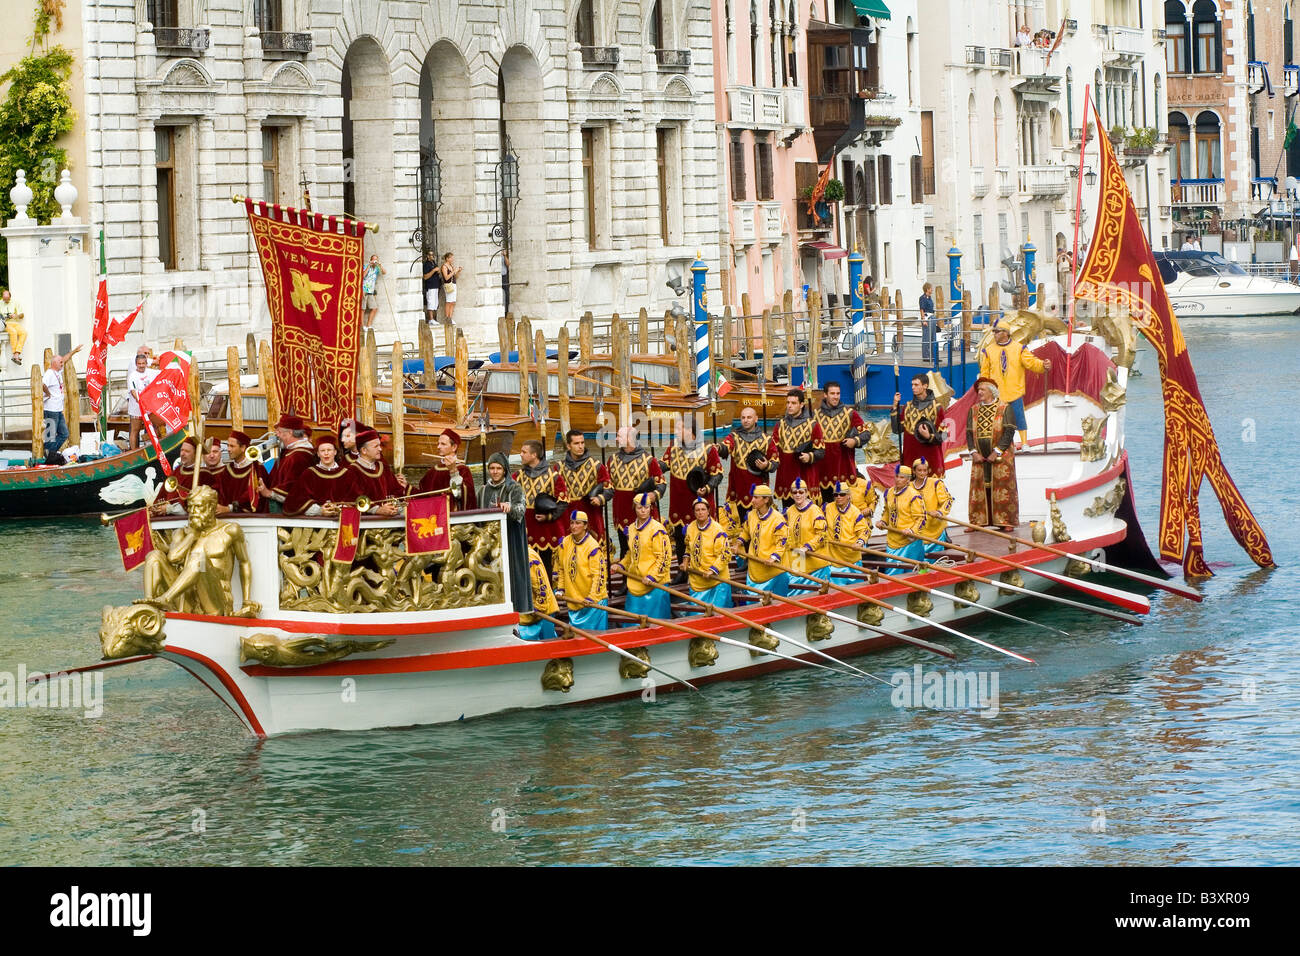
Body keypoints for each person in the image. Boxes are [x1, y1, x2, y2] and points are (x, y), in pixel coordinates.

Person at [661, 415, 723, 565]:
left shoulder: (708, 450)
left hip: (698, 501)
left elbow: (718, 474)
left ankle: (703, 565)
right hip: (678, 501)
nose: (675, 431)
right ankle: (683, 570)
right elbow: (664, 465)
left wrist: (707, 488)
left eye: (678, 428)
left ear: (689, 431)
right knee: (679, 535)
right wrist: (649, 465)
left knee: (701, 536)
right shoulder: (674, 446)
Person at [978, 319, 1050, 443]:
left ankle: (1024, 443)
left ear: (1005, 333)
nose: (994, 334)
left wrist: (1043, 365)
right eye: (994, 332)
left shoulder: (1019, 348)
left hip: (1015, 391)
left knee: (1020, 418)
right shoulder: (988, 351)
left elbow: (1031, 362)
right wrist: (984, 389)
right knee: (998, 422)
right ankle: (1000, 444)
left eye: (997, 332)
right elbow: (985, 374)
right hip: (997, 394)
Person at [481, 451, 531, 614]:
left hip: (510, 541)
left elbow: (521, 510)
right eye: (492, 468)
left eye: (498, 468)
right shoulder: (482, 491)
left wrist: (510, 508)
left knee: (512, 576)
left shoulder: (514, 488)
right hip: (489, 543)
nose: (495, 471)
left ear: (505, 470)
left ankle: (517, 610)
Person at [967, 377, 1019, 531]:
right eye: (979, 390)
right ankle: (977, 521)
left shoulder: (1005, 408)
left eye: (982, 389)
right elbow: (969, 433)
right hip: (979, 455)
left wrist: (996, 451)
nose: (979, 392)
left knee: (1002, 487)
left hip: (1001, 455)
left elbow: (1009, 431)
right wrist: (973, 451)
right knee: (978, 487)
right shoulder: (973, 410)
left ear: (992, 391)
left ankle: (1005, 521)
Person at [611, 493, 672, 623]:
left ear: (650, 508)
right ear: (634, 509)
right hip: (636, 580)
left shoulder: (657, 529)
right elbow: (631, 554)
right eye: (639, 508)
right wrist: (621, 565)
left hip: (654, 583)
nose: (643, 510)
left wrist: (652, 576)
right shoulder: (631, 529)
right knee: (632, 621)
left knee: (657, 623)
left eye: (646, 507)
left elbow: (664, 558)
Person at [608, 425, 665, 557]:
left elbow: (661, 484)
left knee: (645, 551)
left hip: (642, 513)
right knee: (625, 550)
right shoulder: (612, 460)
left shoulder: (649, 460)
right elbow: (606, 484)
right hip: (621, 513)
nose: (616, 439)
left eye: (619, 436)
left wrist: (653, 495)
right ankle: (625, 576)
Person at [515, 439, 567, 573]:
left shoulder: (554, 476)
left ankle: (547, 593)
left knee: (546, 566)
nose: (520, 454)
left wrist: (549, 516)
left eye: (524, 452)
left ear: (534, 455)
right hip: (525, 528)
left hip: (546, 529)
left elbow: (563, 502)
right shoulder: (518, 476)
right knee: (526, 566)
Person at [766, 388, 824, 505]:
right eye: (788, 403)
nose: (790, 406)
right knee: (787, 514)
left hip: (805, 476)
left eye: (793, 403)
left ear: (801, 404)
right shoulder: (780, 425)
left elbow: (821, 451)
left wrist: (810, 456)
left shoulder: (813, 425)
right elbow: (773, 450)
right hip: (785, 477)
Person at [555, 428, 611, 547]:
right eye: (576, 443)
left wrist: (600, 499)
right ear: (568, 446)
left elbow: (609, 488)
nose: (580, 446)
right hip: (568, 516)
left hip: (591, 514)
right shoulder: (558, 468)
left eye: (582, 443)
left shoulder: (596, 466)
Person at [732, 483, 790, 596]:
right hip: (755, 569)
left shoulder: (778, 519)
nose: (752, 500)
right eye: (753, 497)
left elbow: (782, 542)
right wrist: (738, 543)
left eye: (756, 497)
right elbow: (745, 531)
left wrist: (773, 558)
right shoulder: (751, 515)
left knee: (776, 603)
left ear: (766, 499)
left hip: (774, 570)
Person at [814, 381, 866, 505]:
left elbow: (866, 433)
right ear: (825, 395)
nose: (836, 396)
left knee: (844, 506)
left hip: (843, 468)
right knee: (824, 506)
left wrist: (855, 441)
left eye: (838, 393)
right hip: (821, 470)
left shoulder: (850, 413)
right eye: (832, 393)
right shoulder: (814, 415)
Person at [556, 510, 609, 631]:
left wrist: (591, 597)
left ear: (585, 526)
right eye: (572, 523)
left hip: (592, 603)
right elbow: (562, 568)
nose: (573, 526)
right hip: (574, 601)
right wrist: (561, 588)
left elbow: (599, 576)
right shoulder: (565, 542)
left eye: (578, 523)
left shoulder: (593, 547)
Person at [718, 405, 770, 524]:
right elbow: (726, 446)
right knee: (740, 523)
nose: (745, 420)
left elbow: (775, 460)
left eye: (749, 417)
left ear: (756, 419)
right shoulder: (734, 436)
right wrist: (719, 448)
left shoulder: (766, 439)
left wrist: (767, 465)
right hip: (738, 488)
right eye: (743, 418)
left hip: (758, 487)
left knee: (760, 523)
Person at [891, 373, 949, 476]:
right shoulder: (907, 407)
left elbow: (945, 435)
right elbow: (897, 430)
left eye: (916, 385)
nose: (913, 387)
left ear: (925, 386)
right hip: (910, 460)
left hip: (931, 460)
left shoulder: (937, 408)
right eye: (912, 385)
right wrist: (895, 407)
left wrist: (929, 436)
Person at [284, 435, 355, 516]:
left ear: (335, 452)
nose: (326, 453)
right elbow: (295, 501)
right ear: (318, 454)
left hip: (342, 519)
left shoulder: (347, 474)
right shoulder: (309, 474)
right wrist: (319, 511)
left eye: (329, 450)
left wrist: (342, 508)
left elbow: (355, 499)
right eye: (322, 450)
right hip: (316, 521)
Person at [876, 464, 927, 574]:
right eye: (897, 476)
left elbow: (921, 519)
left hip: (909, 541)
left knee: (914, 572)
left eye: (902, 477)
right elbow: (887, 512)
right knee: (892, 571)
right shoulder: (889, 492)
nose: (898, 480)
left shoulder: (914, 495)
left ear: (908, 480)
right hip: (893, 539)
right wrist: (883, 521)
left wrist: (911, 530)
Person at [683, 497, 731, 611]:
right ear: (694, 512)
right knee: (696, 616)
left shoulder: (717, 530)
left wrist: (712, 570)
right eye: (697, 510)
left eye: (703, 509)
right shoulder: (690, 528)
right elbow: (688, 549)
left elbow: (725, 554)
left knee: (719, 616)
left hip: (716, 581)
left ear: (708, 511)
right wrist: (685, 561)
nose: (700, 512)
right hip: (697, 580)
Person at [260, 413, 315, 511]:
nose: (277, 435)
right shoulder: (291, 452)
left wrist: (270, 493)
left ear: (290, 433)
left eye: (280, 432)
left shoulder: (299, 456)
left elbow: (295, 488)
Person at [347, 425, 406, 516]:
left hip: (391, 516)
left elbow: (396, 491)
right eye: (376, 446)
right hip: (368, 522)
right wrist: (377, 509)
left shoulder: (383, 467)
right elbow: (354, 499)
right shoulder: (352, 471)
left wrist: (393, 505)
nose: (380, 449)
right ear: (364, 450)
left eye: (379, 445)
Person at [416, 428, 477, 511]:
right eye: (438, 443)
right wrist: (405, 486)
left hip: (453, 518)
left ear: (454, 447)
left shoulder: (463, 469)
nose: (438, 447)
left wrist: (453, 471)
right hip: (434, 516)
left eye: (443, 444)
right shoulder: (433, 470)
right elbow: (423, 494)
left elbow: (464, 496)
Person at [40, 345, 83, 461]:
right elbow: (42, 384)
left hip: (58, 409)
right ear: (54, 363)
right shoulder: (49, 373)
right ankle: (48, 454)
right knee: (50, 436)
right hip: (51, 409)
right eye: (60, 362)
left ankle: (51, 452)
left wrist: (74, 351)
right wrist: (48, 393)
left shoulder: (58, 371)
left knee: (64, 433)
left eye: (61, 362)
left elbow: (65, 358)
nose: (62, 363)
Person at [785, 478, 832, 585]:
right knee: (796, 592)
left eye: (801, 492)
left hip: (815, 562)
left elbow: (822, 535)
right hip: (797, 560)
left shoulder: (815, 510)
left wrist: (807, 547)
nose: (798, 495)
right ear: (791, 494)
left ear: (807, 493)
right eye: (794, 492)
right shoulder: (789, 511)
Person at [826, 480, 870, 583]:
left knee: (857, 590)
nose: (838, 497)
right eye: (836, 495)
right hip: (834, 560)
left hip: (852, 559)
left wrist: (859, 542)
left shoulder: (855, 512)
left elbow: (864, 530)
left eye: (842, 494)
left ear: (849, 495)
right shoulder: (827, 508)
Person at [910, 457, 954, 556]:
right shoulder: (908, 487)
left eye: (924, 470)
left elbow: (948, 500)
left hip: (935, 528)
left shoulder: (936, 483)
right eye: (919, 470)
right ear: (913, 471)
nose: (922, 473)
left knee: (935, 558)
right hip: (917, 529)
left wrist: (939, 512)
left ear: (928, 471)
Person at [518, 546, 559, 641]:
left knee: (549, 643)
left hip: (543, 612)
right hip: (530, 612)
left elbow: (541, 588)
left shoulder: (528, 556)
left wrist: (538, 608)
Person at [152, 437, 199, 515]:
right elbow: (161, 496)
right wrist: (156, 508)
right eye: (181, 450)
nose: (182, 454)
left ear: (195, 454)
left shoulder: (200, 474)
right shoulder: (176, 472)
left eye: (187, 451)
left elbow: (191, 505)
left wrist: (169, 509)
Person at [222, 430, 263, 513]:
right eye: (228, 446)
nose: (228, 449)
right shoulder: (227, 469)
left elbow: (254, 494)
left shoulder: (257, 468)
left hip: (250, 519)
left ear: (243, 448)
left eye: (232, 446)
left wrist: (231, 507)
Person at [126, 350, 159, 450]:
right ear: (136, 364)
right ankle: (133, 452)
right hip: (137, 408)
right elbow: (133, 391)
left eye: (143, 363)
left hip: (149, 408)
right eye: (139, 364)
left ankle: (153, 448)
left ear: (146, 364)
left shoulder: (152, 372)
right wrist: (139, 400)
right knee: (135, 430)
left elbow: (165, 374)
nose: (141, 365)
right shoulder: (132, 376)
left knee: (155, 427)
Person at [198, 437, 231, 512]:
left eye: (215, 452)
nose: (212, 455)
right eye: (208, 452)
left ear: (220, 453)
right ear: (202, 455)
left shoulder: (229, 472)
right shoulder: (197, 474)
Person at [0, 289, 25, 365]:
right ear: (2, 297)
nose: (6, 300)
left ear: (10, 297)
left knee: (24, 333)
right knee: (13, 332)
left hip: (15, 322)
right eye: (4, 299)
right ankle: (15, 354)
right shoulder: (0, 303)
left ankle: (17, 353)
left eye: (7, 299)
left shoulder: (15, 302)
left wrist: (16, 315)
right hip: (5, 323)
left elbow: (22, 315)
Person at [362, 254, 385, 330]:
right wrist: (369, 265)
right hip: (364, 290)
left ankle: (369, 325)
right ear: (371, 260)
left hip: (371, 291)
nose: (374, 261)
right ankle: (362, 327)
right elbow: (363, 275)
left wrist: (380, 265)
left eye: (376, 260)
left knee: (374, 308)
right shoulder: (366, 266)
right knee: (363, 309)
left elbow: (384, 272)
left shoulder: (377, 269)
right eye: (373, 260)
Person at [440, 252, 462, 324]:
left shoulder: (451, 266)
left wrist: (458, 271)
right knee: (449, 302)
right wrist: (453, 272)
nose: (452, 259)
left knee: (453, 302)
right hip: (448, 285)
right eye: (451, 258)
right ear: (447, 258)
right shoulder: (444, 266)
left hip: (453, 284)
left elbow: (456, 277)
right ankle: (447, 318)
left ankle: (450, 318)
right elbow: (446, 277)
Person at [919, 282, 938, 363]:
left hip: (932, 317)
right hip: (927, 318)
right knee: (926, 338)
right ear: (927, 289)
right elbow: (922, 309)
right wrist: (923, 320)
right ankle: (926, 356)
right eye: (931, 288)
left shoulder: (929, 298)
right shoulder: (922, 298)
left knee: (933, 337)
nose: (932, 289)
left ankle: (934, 356)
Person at [421, 250, 442, 325]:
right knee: (430, 302)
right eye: (430, 255)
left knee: (435, 303)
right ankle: (430, 319)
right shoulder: (426, 265)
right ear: (427, 256)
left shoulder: (434, 263)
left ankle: (433, 319)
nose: (432, 256)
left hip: (435, 286)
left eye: (433, 255)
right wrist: (434, 270)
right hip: (430, 286)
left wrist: (438, 271)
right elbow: (425, 277)